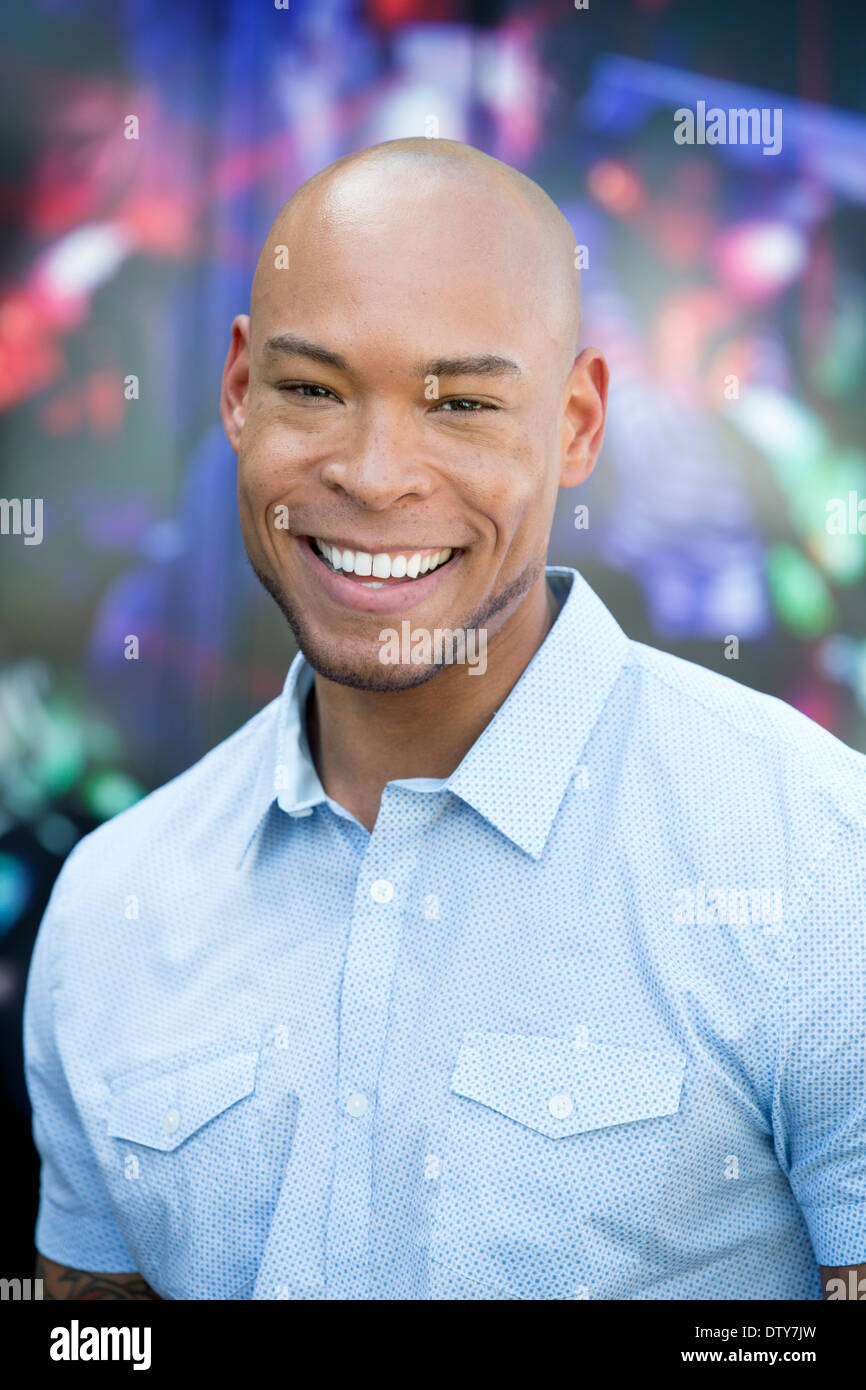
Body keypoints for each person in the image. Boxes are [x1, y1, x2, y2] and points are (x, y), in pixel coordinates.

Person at [24, 138, 866, 1301]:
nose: (374, 475)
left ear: (575, 425)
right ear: (235, 393)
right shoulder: (113, 902)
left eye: (461, 402)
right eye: (312, 389)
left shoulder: (816, 855)